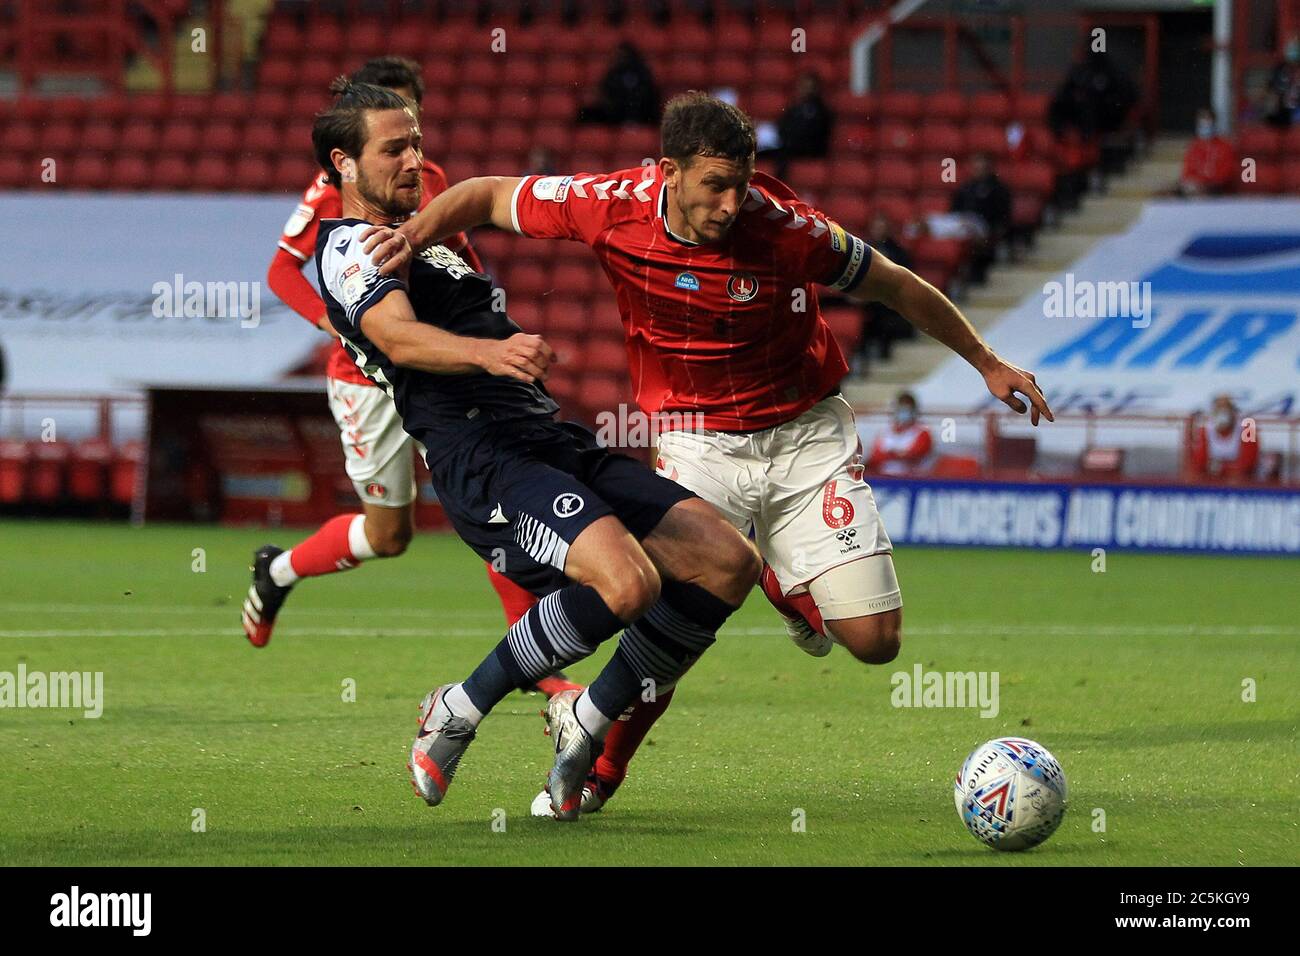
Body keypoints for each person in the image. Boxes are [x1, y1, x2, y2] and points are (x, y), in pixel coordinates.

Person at [366, 91, 1053, 816]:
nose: (730, 204)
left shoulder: (788, 230)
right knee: (675, 609)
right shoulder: (611, 204)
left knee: (875, 641)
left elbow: (895, 284)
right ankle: (601, 766)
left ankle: (773, 589)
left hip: (804, 434)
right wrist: (412, 239)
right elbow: (482, 195)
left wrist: (986, 361)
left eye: (741, 184)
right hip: (697, 438)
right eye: (714, 186)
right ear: (669, 172)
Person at [311, 80, 760, 820]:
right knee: (628, 584)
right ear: (344, 163)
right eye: (394, 147)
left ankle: (590, 715)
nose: (414, 158)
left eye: (417, 142)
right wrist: (490, 356)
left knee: (726, 560)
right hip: (482, 458)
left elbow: (484, 196)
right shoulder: (347, 247)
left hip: (544, 437)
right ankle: (458, 706)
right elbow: (394, 336)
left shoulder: (423, 240)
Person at [249, 55, 545, 658]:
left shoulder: (428, 176)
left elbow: (460, 252)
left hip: (433, 369)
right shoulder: (333, 188)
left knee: (495, 497)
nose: (401, 141)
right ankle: (277, 571)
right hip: (366, 378)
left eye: (409, 119)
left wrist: (482, 320)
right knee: (389, 538)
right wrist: (339, 327)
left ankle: (541, 665)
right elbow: (282, 270)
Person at [858, 212, 915, 364]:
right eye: (875, 227)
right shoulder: (864, 248)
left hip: (888, 298)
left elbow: (904, 277)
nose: (878, 230)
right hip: (867, 297)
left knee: (883, 314)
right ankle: (861, 353)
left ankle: (882, 350)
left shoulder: (897, 251)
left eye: (881, 227)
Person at [950, 152, 1011, 283]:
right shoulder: (965, 187)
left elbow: (1001, 214)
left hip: (983, 226)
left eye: (981, 165)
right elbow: (954, 209)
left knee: (967, 229)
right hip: (962, 222)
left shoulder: (997, 189)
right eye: (975, 165)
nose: (977, 169)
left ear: (989, 167)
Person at [576, 41, 660, 126]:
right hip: (616, 114)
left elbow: (650, 94)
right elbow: (605, 93)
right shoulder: (614, 73)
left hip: (641, 114)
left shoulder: (642, 72)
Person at [775, 71, 834, 177]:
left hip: (811, 149)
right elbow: (783, 126)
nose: (806, 90)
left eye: (809, 87)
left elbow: (819, 132)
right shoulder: (794, 109)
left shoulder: (821, 111)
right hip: (791, 146)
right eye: (804, 86)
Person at [1189, 395, 1258, 481]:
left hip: (1240, 479)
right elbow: (1200, 462)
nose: (1223, 413)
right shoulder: (1205, 430)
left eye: (1226, 409)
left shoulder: (1247, 429)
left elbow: (1249, 462)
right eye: (1219, 409)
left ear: (1233, 412)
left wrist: (1221, 467)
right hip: (1212, 479)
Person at [1174, 109, 1237, 197]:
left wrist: (1204, 183)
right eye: (1202, 122)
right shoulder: (1194, 147)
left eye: (1208, 121)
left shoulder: (1225, 146)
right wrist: (1194, 183)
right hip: (1194, 188)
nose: (1205, 125)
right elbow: (1187, 171)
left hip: (1216, 189)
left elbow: (1225, 174)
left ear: (1214, 123)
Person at [867, 393, 933, 476]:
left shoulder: (922, 432)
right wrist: (898, 454)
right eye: (901, 408)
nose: (903, 412)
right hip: (885, 478)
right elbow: (875, 456)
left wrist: (891, 454)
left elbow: (915, 455)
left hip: (913, 479)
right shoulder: (885, 431)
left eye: (907, 409)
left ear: (913, 411)